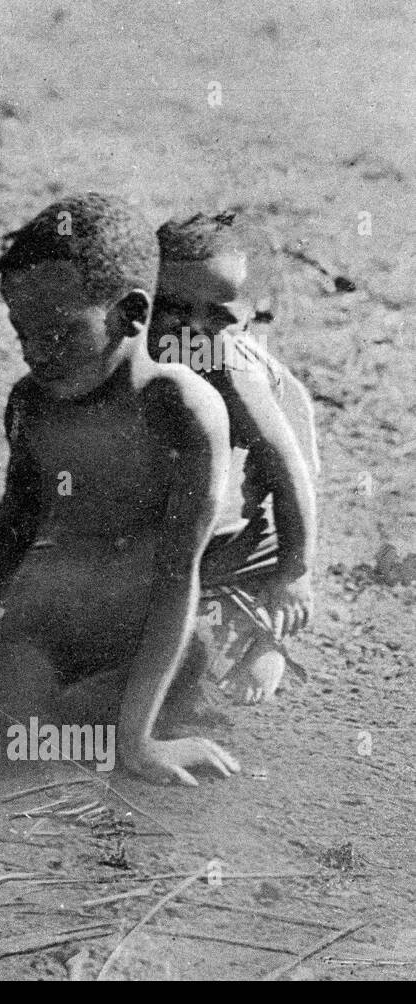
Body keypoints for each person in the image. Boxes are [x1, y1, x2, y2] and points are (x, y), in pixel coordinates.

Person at [0, 192, 240, 786]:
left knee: (82, 739)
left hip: (150, 631)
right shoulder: (31, 403)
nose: (33, 352)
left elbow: (179, 577)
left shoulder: (180, 409)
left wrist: (140, 742)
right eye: (22, 332)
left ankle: (129, 721)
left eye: (58, 332)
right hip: (54, 620)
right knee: (12, 737)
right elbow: (13, 523)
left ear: (131, 314)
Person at [151, 212, 319, 703]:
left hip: (244, 548)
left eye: (219, 315)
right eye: (174, 307)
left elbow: (291, 473)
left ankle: (266, 639)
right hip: (179, 530)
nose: (194, 328)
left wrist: (295, 572)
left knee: (192, 662)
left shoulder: (235, 373)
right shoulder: (142, 355)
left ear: (250, 317)